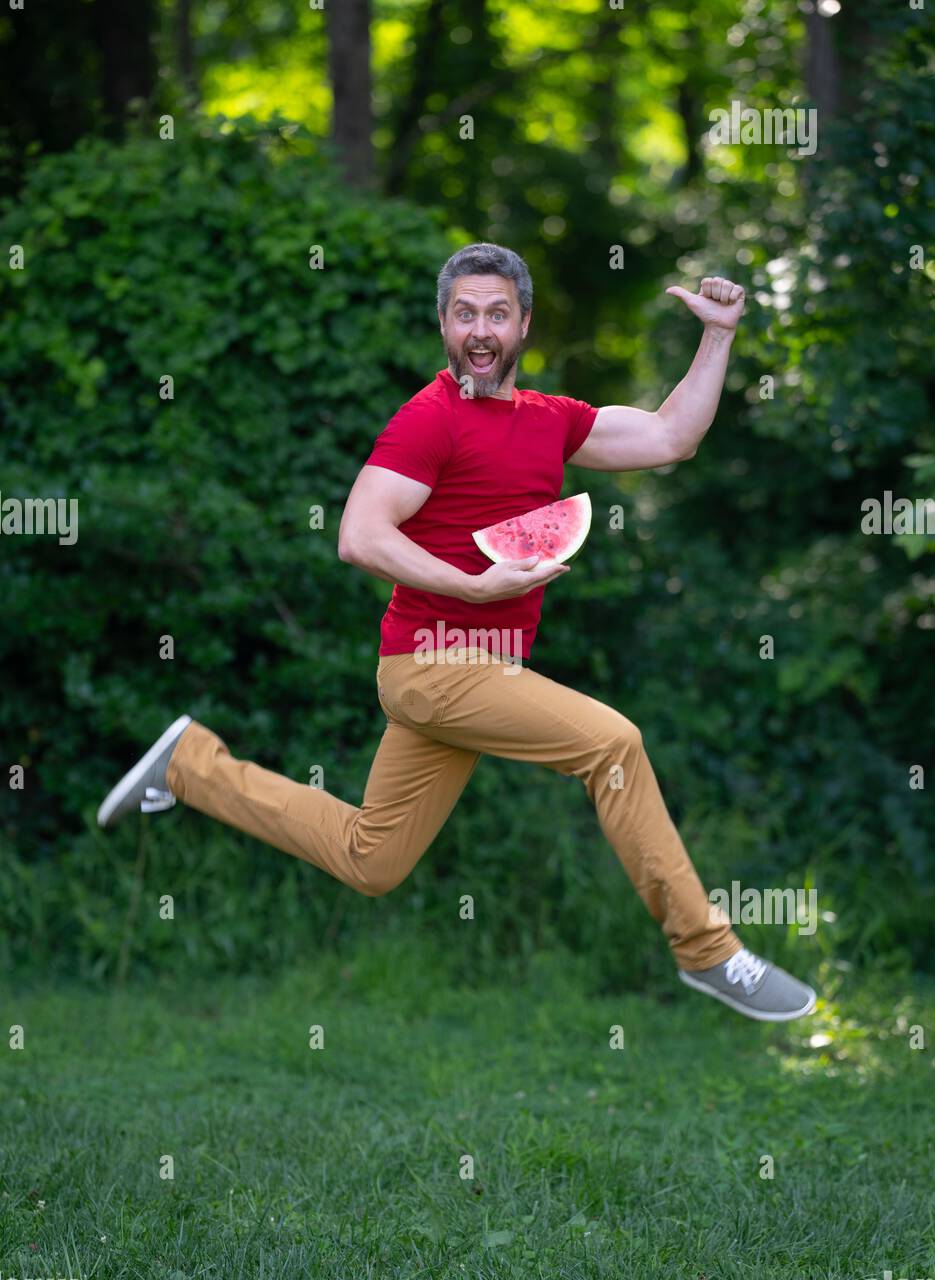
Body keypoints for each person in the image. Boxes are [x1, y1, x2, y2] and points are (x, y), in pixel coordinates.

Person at [97, 242, 816, 1023]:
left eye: (496, 314)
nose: (480, 330)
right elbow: (359, 535)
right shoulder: (428, 419)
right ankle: (708, 952)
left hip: (473, 679)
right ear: (443, 323)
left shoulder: (551, 422)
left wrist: (717, 335)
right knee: (612, 744)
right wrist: (472, 583)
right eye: (465, 313)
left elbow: (669, 438)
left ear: (523, 325)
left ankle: (190, 764)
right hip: (435, 665)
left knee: (371, 860)